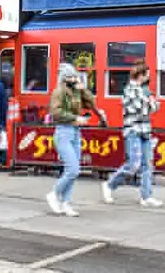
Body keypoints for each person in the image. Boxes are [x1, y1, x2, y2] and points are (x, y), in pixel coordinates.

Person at [46, 63, 106, 217]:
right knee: (72, 169)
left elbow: (91, 103)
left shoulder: (77, 91)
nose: (75, 78)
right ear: (65, 78)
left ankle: (65, 203)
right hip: (63, 132)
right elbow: (55, 113)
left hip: (75, 132)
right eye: (71, 76)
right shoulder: (58, 92)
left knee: (73, 170)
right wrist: (75, 117)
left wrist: (83, 89)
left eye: (75, 76)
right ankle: (54, 194)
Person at [102, 60, 162, 208]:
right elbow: (141, 110)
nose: (149, 77)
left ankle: (146, 196)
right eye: (147, 74)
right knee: (133, 164)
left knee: (147, 164)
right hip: (133, 130)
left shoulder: (144, 90)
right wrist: (150, 104)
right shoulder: (129, 90)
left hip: (145, 130)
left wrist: (150, 104)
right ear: (141, 75)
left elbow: (154, 107)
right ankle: (110, 185)